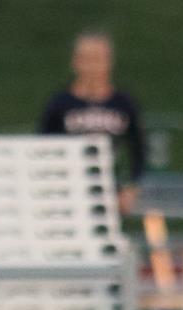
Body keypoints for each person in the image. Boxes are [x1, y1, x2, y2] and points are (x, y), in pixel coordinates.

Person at [37, 30, 146, 215]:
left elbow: (139, 150)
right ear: (75, 62)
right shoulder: (60, 103)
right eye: (86, 59)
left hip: (110, 187)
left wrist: (130, 188)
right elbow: (41, 149)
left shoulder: (123, 104)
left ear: (109, 62)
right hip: (67, 188)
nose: (92, 67)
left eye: (98, 59)